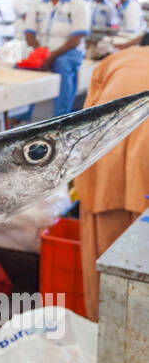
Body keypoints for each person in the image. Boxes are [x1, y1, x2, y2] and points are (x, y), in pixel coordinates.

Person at [75, 36, 149, 319]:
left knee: (108, 280)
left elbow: (86, 125)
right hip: (139, 178)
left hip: (105, 177)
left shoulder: (115, 61)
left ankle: (108, 349)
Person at [23, 0, 89, 116]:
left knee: (62, 65)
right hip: (43, 50)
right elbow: (29, 33)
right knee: (20, 66)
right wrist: (41, 53)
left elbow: (77, 38)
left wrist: (52, 56)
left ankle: (62, 117)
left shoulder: (77, 5)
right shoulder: (37, 4)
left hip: (69, 52)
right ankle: (21, 115)